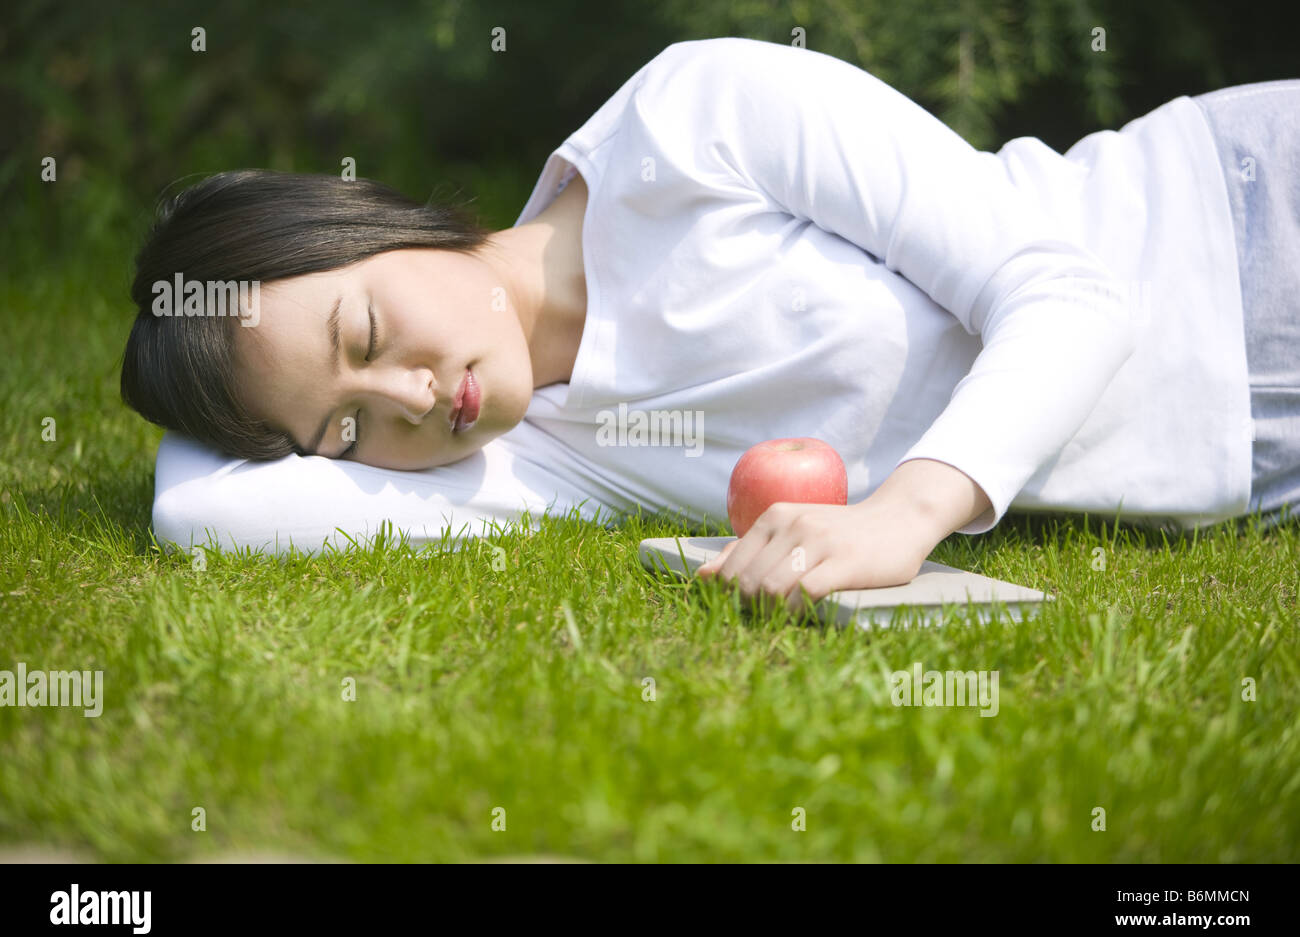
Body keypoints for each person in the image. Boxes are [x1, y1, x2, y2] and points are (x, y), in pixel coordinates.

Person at [120, 37, 1299, 613]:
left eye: (368, 335)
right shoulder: (532, 462)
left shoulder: (688, 122)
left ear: (377, 222)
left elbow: (1068, 294)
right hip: (1248, 465)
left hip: (1238, 224)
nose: (408, 403)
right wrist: (227, 375)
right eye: (343, 431)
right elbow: (199, 512)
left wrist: (903, 518)